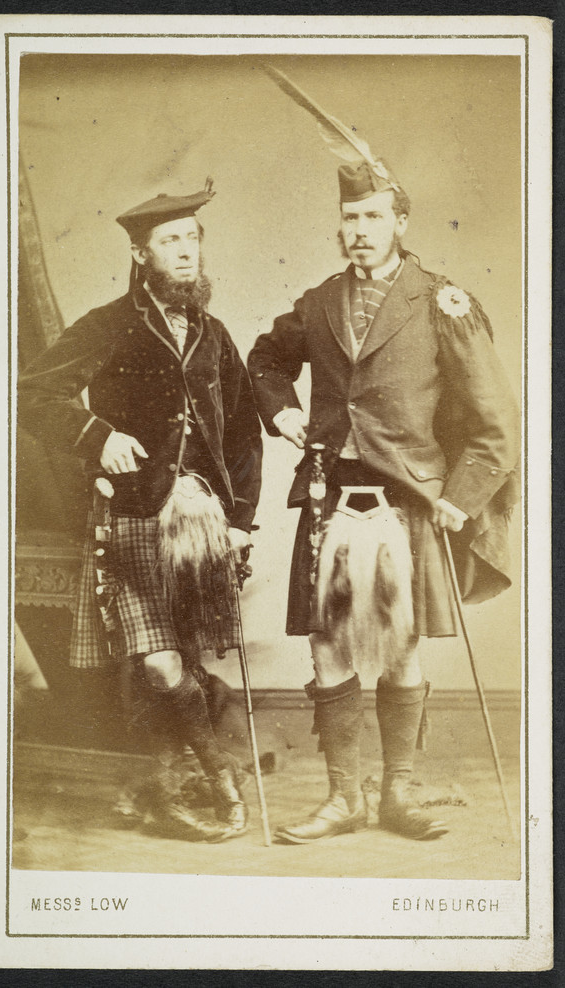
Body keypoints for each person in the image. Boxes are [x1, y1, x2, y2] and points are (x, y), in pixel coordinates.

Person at [248, 157, 519, 843]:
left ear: (401, 222)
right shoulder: (318, 302)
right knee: (329, 647)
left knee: (399, 651)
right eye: (350, 219)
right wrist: (281, 412)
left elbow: (495, 425)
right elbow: (264, 360)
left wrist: (459, 497)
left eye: (374, 217)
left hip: (409, 505)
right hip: (327, 498)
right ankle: (344, 800)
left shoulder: (440, 302)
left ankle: (398, 793)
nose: (360, 231)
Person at [19, 180, 263, 842]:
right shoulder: (109, 324)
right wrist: (98, 435)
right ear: (139, 252)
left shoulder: (214, 334)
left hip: (205, 525)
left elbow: (242, 431)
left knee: (184, 655)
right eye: (169, 241)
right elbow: (33, 393)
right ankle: (219, 781)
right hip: (130, 519)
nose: (186, 253)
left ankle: (167, 784)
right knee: (157, 661)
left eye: (192, 239)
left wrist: (242, 520)